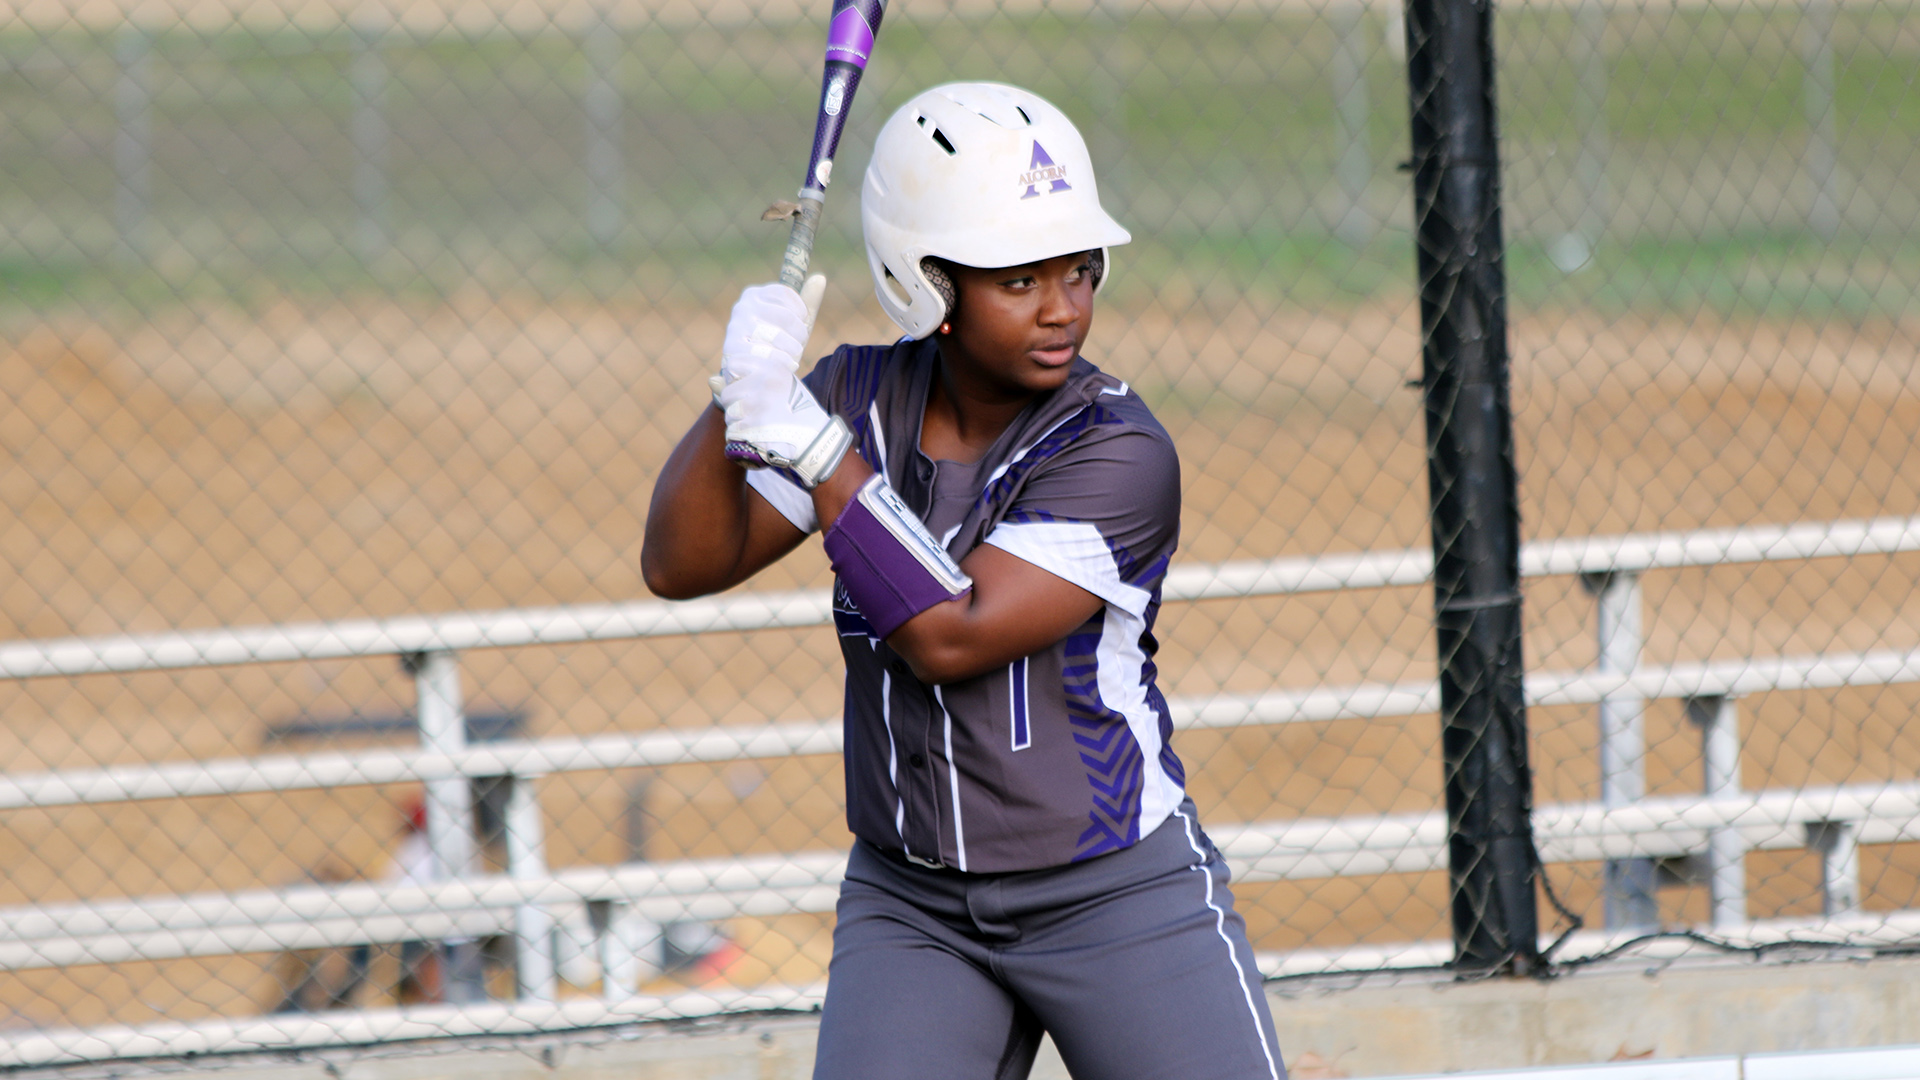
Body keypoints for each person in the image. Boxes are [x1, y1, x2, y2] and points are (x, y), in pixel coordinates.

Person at [643, 82, 1285, 1080]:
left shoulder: (1117, 449)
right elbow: (681, 564)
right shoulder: (853, 399)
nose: (1064, 305)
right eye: (1020, 279)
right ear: (926, 280)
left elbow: (952, 632)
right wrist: (735, 395)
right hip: (913, 908)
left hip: (1113, 891)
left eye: (1081, 268)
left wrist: (822, 456)